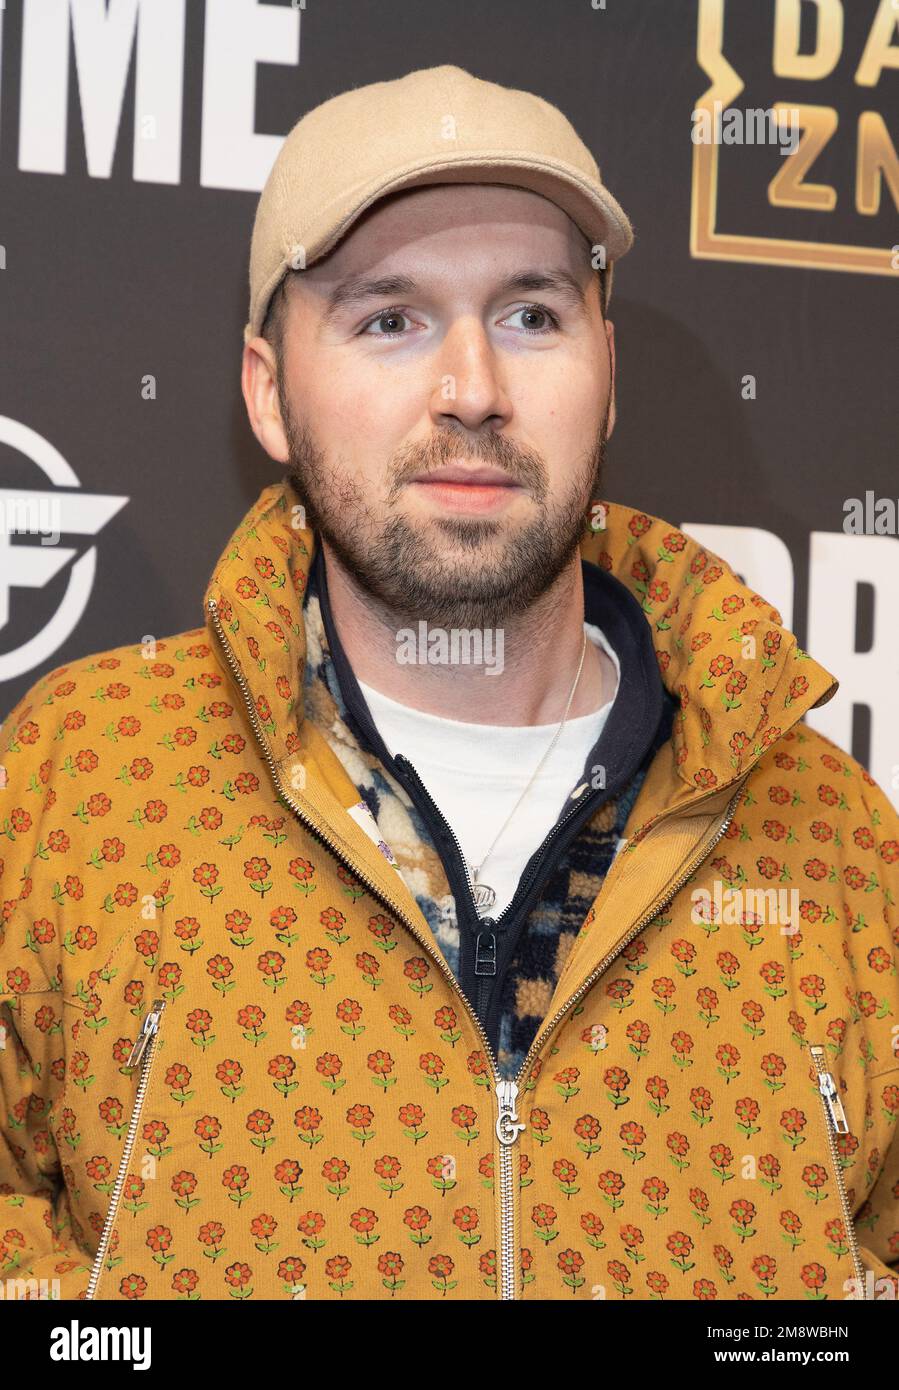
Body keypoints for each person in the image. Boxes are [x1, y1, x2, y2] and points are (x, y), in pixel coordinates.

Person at [1, 64, 897, 1303]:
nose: (471, 391)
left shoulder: (834, 840)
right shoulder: (77, 780)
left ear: (608, 368)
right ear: (267, 388)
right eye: (390, 319)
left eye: (531, 314)